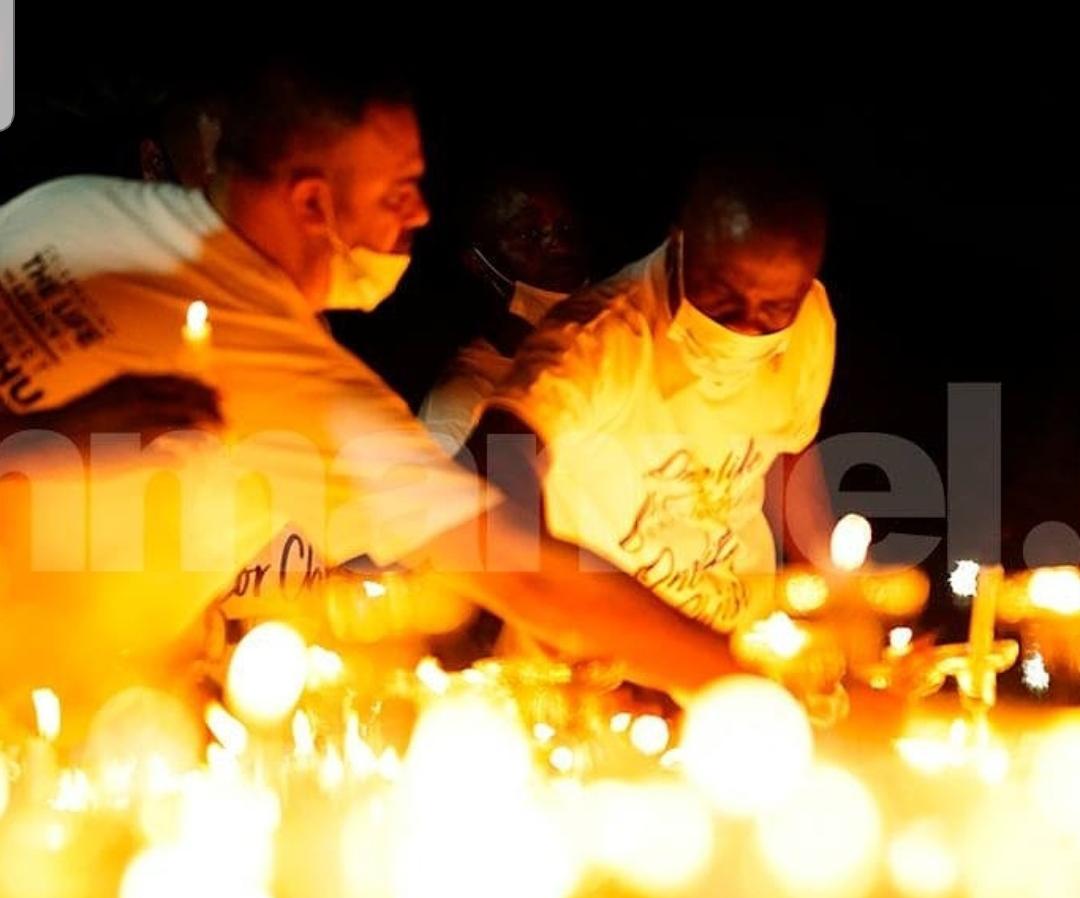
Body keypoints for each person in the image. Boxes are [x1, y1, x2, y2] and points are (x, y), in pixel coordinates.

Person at [0, 62, 735, 708]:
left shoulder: (66, 204)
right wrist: (746, 689)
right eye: (400, 190)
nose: (420, 212)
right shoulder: (276, 366)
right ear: (313, 202)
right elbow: (524, 571)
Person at [468, 156, 838, 637]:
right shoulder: (601, 337)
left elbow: (790, 455)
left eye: (775, 308)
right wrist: (554, 603)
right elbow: (495, 460)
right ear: (680, 242)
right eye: (723, 296)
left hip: (743, 648)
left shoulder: (809, 322)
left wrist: (832, 602)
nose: (746, 324)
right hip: (606, 658)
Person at [420, 167, 590, 452]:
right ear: (477, 261)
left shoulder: (614, 350)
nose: (558, 245)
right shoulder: (463, 403)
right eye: (530, 234)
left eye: (564, 228)